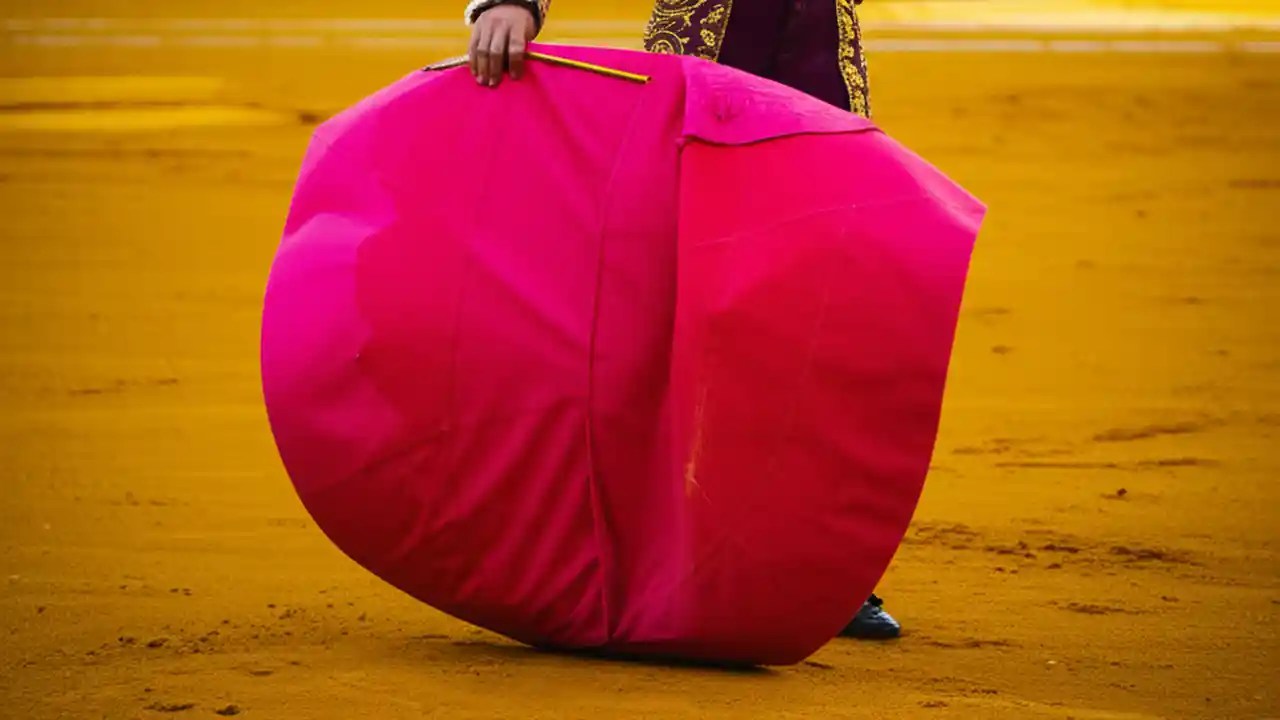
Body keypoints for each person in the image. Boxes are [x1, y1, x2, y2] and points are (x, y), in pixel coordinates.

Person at [460, 0, 899, 641]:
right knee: (662, 294)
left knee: (814, 294)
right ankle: (610, 552)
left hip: (817, 50)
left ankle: (815, 564)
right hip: (708, 48)